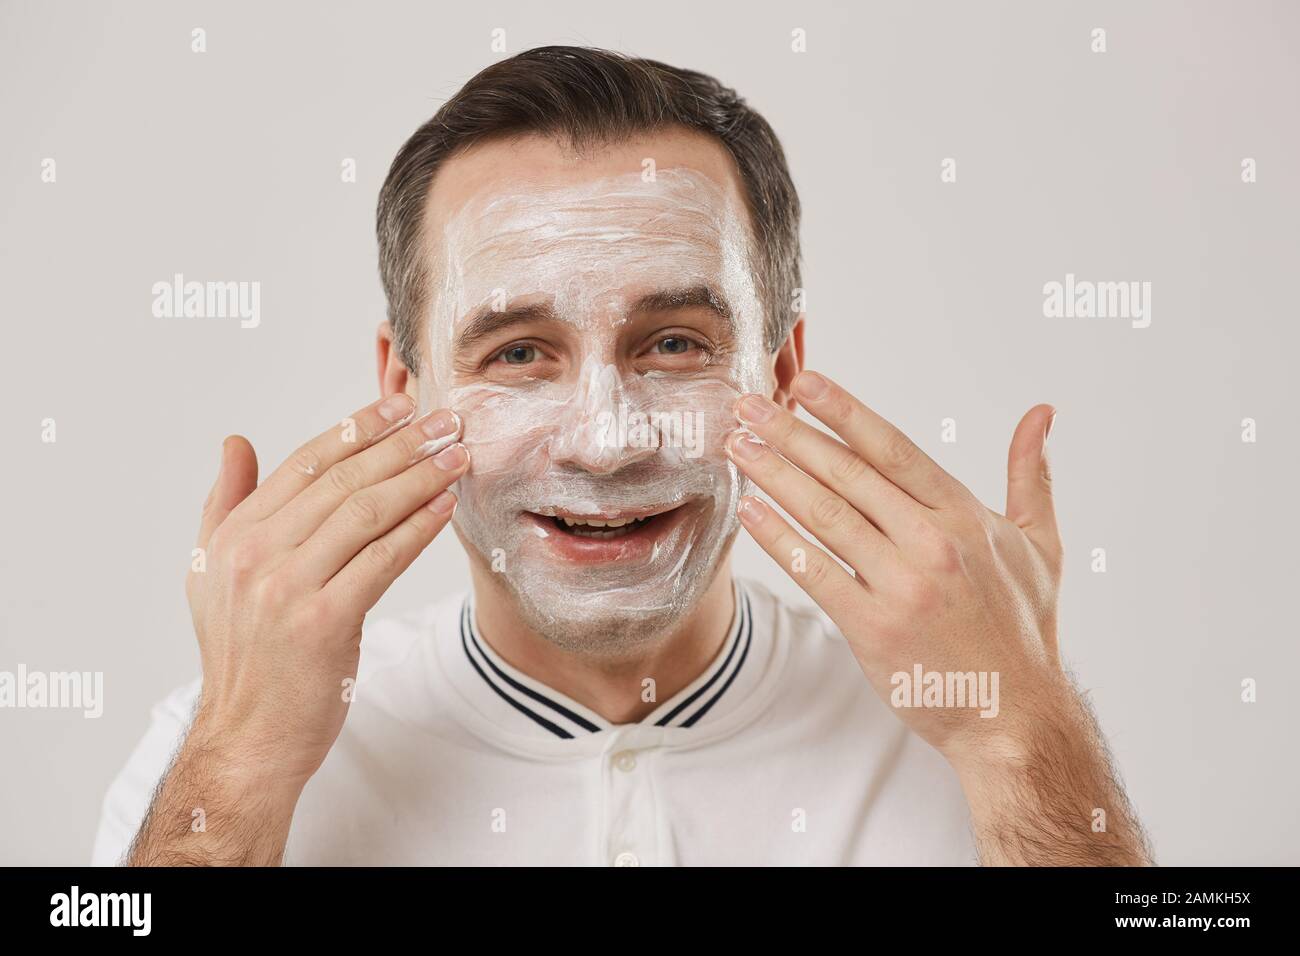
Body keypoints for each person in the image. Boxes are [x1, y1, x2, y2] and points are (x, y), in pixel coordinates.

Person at [93, 46, 1151, 866]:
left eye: (675, 343)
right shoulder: (225, 746)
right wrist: (236, 763)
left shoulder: (970, 719)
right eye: (517, 353)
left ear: (779, 373)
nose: (605, 442)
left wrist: (1021, 735)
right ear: (402, 386)